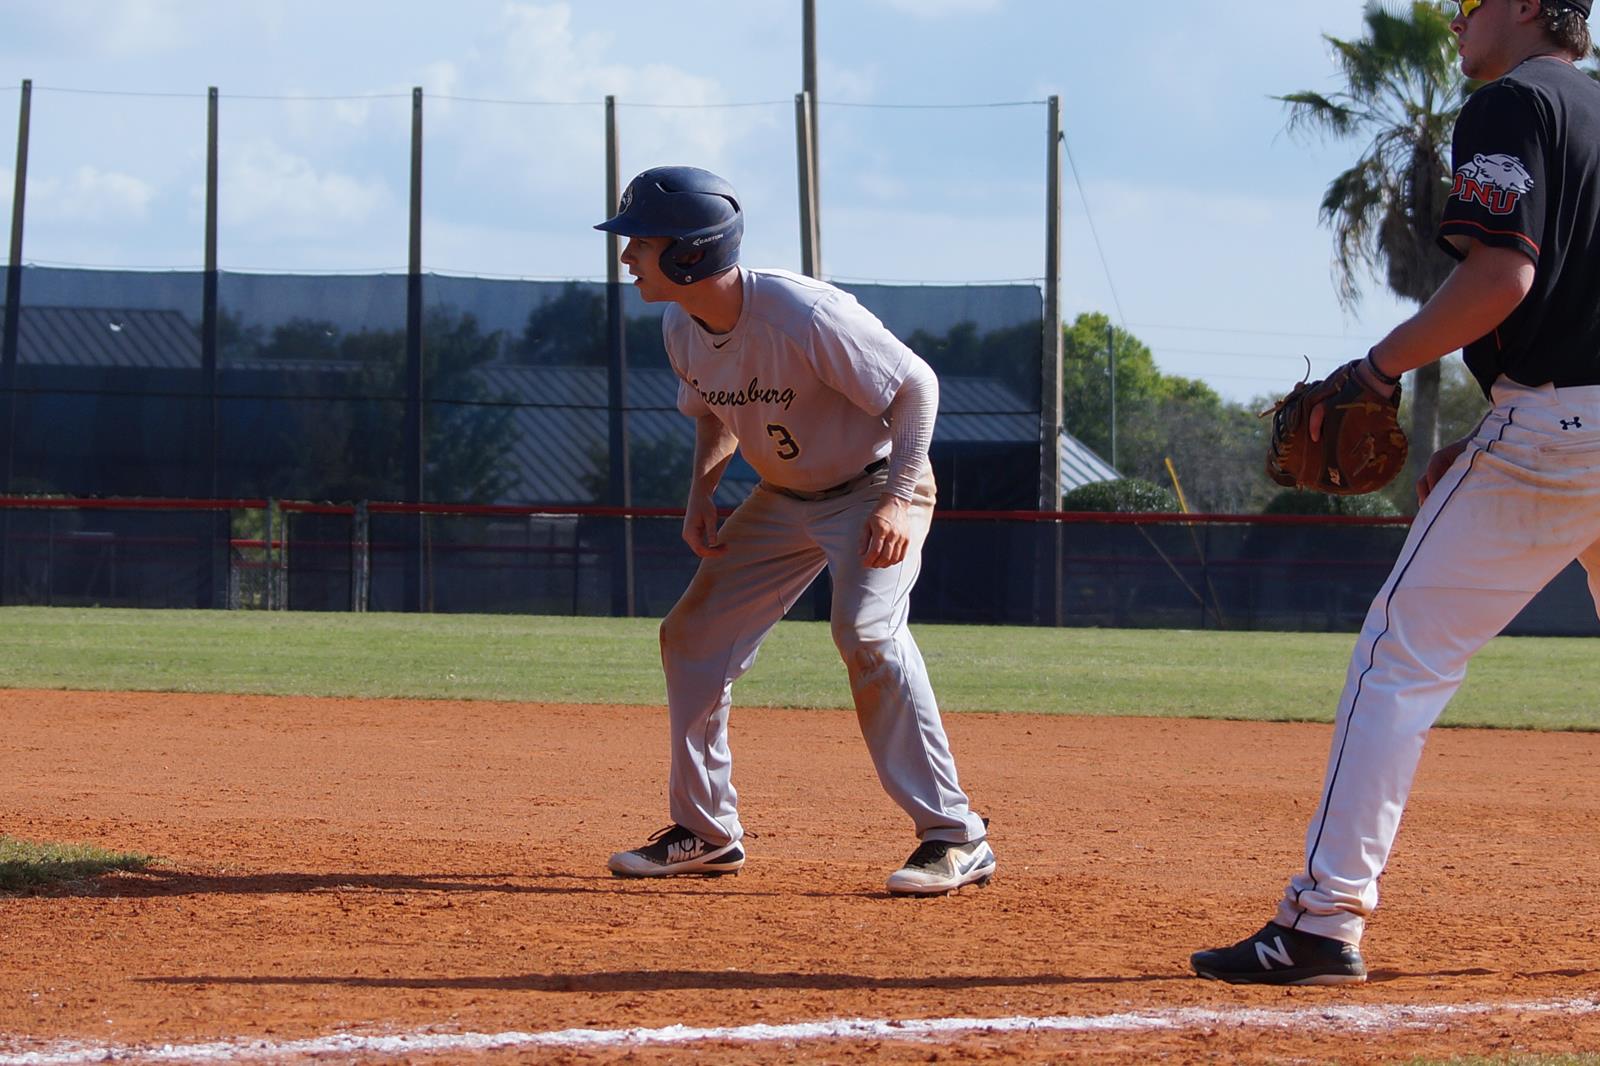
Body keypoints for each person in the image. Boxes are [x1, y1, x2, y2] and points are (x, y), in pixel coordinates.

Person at [1191, 0, 1600, 985]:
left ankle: (1322, 920)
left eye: (1466, 3)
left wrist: (1372, 372)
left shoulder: (1511, 104)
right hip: (1557, 418)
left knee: (1397, 652)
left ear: (1518, 5)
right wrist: (1485, 423)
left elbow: (1501, 277)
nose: (1455, 18)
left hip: (1555, 438)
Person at [595, 165, 995, 895]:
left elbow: (916, 388)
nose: (626, 258)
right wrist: (702, 492)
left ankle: (954, 836)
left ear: (689, 253)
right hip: (781, 498)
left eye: (640, 244)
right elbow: (716, 408)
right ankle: (707, 834)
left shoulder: (802, 313)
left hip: (876, 485)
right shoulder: (680, 325)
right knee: (692, 637)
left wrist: (898, 499)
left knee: (868, 633)